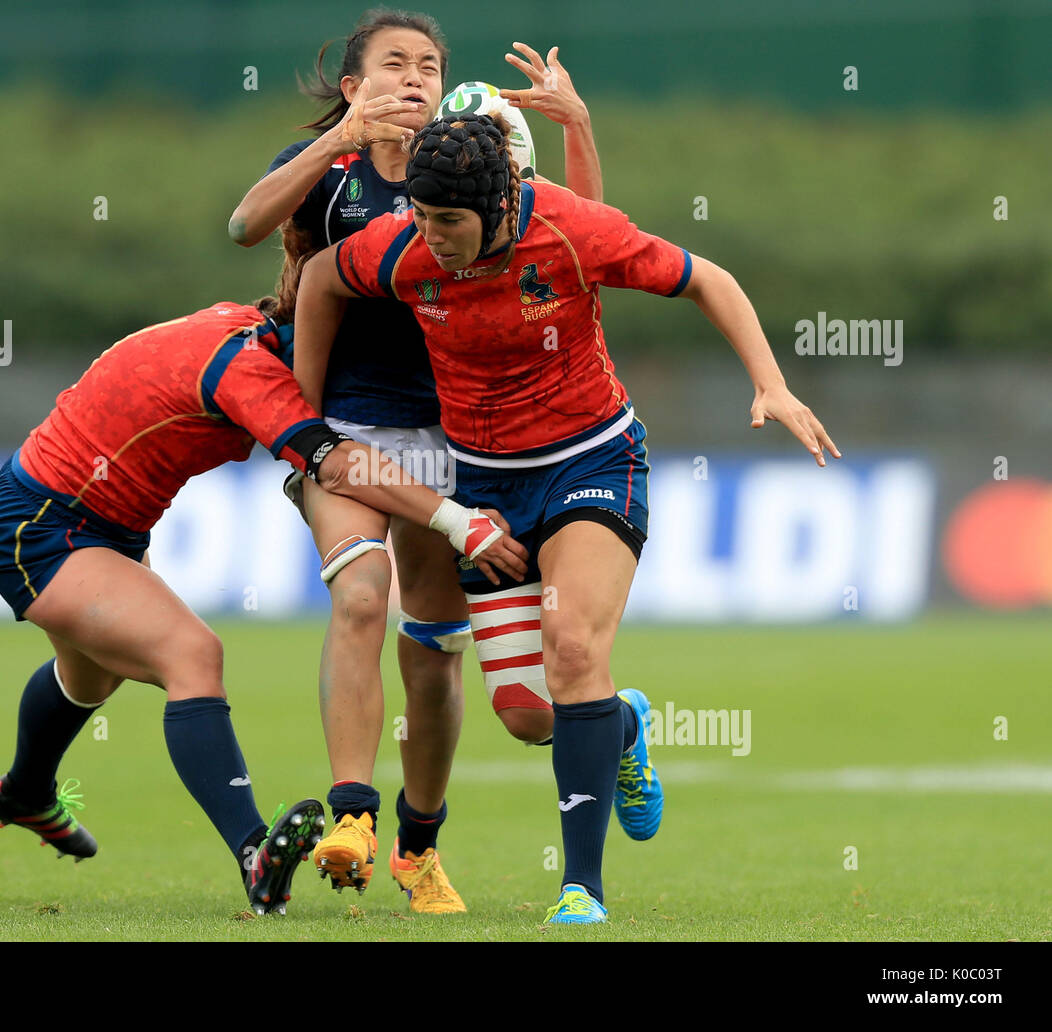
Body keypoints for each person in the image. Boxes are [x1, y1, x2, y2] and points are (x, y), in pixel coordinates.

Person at [293, 113, 841, 923]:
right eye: (419, 214)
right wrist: (309, 417)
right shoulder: (403, 247)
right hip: (486, 490)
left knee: (574, 647)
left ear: (500, 206)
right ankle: (622, 726)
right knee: (525, 716)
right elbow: (321, 281)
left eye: (448, 222)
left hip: (591, 465)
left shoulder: (572, 231)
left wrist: (770, 383)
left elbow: (706, 278)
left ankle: (581, 888)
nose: (430, 236)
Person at [0, 295, 526, 916]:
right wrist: (458, 521)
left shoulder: (246, 327)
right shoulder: (248, 372)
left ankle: (23, 790)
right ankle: (253, 854)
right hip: (41, 526)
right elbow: (338, 463)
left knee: (90, 675)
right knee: (191, 656)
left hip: (101, 521)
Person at [229, 7, 604, 913]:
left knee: (434, 659)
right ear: (355, 86)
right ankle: (351, 812)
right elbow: (245, 226)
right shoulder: (330, 170)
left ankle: (417, 845)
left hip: (457, 441)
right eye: (393, 64)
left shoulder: (468, 165)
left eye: (429, 65)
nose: (414, 77)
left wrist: (576, 126)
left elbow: (585, 232)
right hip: (350, 432)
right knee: (360, 597)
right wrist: (302, 434)